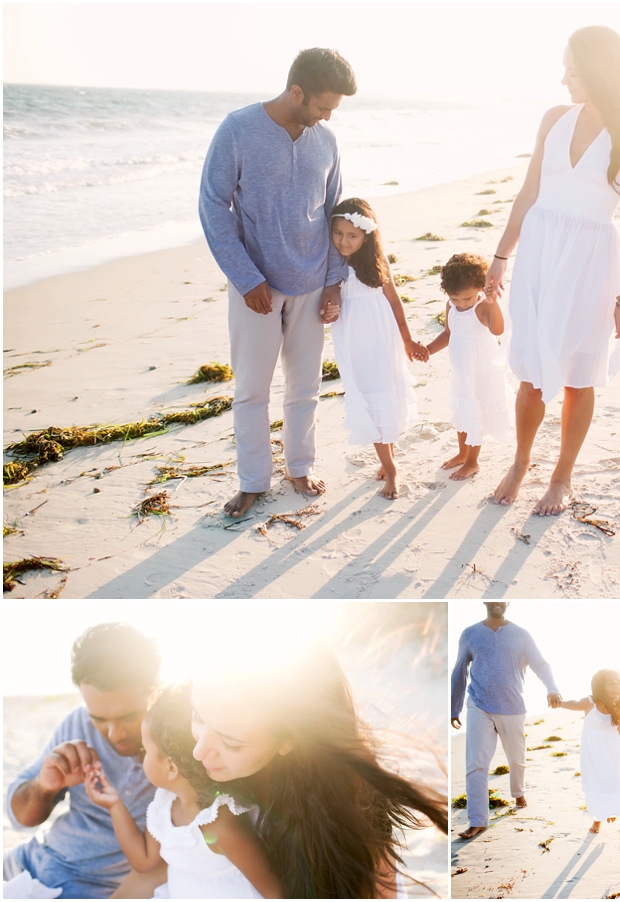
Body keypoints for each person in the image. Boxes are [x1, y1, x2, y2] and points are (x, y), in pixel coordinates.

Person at [486, 26, 620, 515]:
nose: (564, 80)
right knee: (531, 373)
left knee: (579, 376)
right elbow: (527, 193)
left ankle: (561, 477)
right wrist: (500, 256)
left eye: (573, 71)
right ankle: (520, 462)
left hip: (590, 262)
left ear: (599, 72)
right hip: (538, 255)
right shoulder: (554, 118)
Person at [199, 48, 357, 519]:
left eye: (333, 110)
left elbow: (334, 212)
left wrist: (333, 281)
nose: (328, 116)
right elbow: (213, 204)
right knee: (251, 389)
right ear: (296, 91)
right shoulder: (238, 130)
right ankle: (252, 481)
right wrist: (245, 277)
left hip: (311, 284)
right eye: (323, 106)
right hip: (257, 289)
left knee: (304, 387)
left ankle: (299, 467)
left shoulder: (325, 139)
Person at [186, 641, 447, 899]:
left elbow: (377, 892)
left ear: (288, 740)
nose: (199, 751)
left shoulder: (346, 803)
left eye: (230, 743)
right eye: (197, 717)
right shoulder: (179, 730)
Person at [4, 624, 160, 899]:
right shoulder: (77, 722)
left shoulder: (181, 747)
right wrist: (45, 785)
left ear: (155, 689)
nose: (115, 734)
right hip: (25, 863)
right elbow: (20, 819)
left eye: (128, 716)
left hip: (92, 890)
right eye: (99, 718)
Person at [84, 682, 280, 899]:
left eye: (145, 750)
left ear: (170, 767)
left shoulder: (221, 821)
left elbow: (274, 892)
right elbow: (144, 859)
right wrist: (114, 805)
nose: (141, 757)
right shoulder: (165, 804)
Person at [329, 198, 429, 499]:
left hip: (381, 338)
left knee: (383, 394)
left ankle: (390, 465)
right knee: (371, 398)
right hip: (353, 341)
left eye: (352, 235)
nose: (343, 241)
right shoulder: (331, 262)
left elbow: (395, 303)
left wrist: (408, 340)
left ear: (367, 236)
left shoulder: (377, 262)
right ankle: (389, 462)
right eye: (337, 233)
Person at [450, 602, 562, 840]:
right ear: (485, 601)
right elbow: (460, 669)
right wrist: (454, 707)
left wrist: (552, 688)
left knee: (516, 759)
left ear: (508, 602)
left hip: (513, 707)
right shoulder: (470, 633)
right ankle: (477, 820)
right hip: (479, 705)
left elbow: (539, 663)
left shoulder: (521, 634)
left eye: (503, 598)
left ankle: (518, 792)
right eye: (493, 598)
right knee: (476, 764)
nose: (498, 602)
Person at [425, 253, 513, 481]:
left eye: (467, 298)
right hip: (462, 371)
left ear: (480, 288)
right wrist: (428, 350)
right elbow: (447, 334)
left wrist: (493, 304)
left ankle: (473, 462)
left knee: (475, 413)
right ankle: (462, 453)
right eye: (456, 299)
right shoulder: (451, 307)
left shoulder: (482, 307)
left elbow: (498, 330)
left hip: (482, 372)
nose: (461, 304)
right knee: (462, 411)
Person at [560, 669, 620, 833]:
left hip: (613, 753)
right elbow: (572, 704)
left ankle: (612, 809)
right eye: (611, 683)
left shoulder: (617, 708)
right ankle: (597, 819)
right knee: (596, 784)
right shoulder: (589, 703)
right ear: (600, 686)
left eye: (618, 683)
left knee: (613, 782)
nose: (617, 686)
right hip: (593, 754)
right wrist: (559, 702)